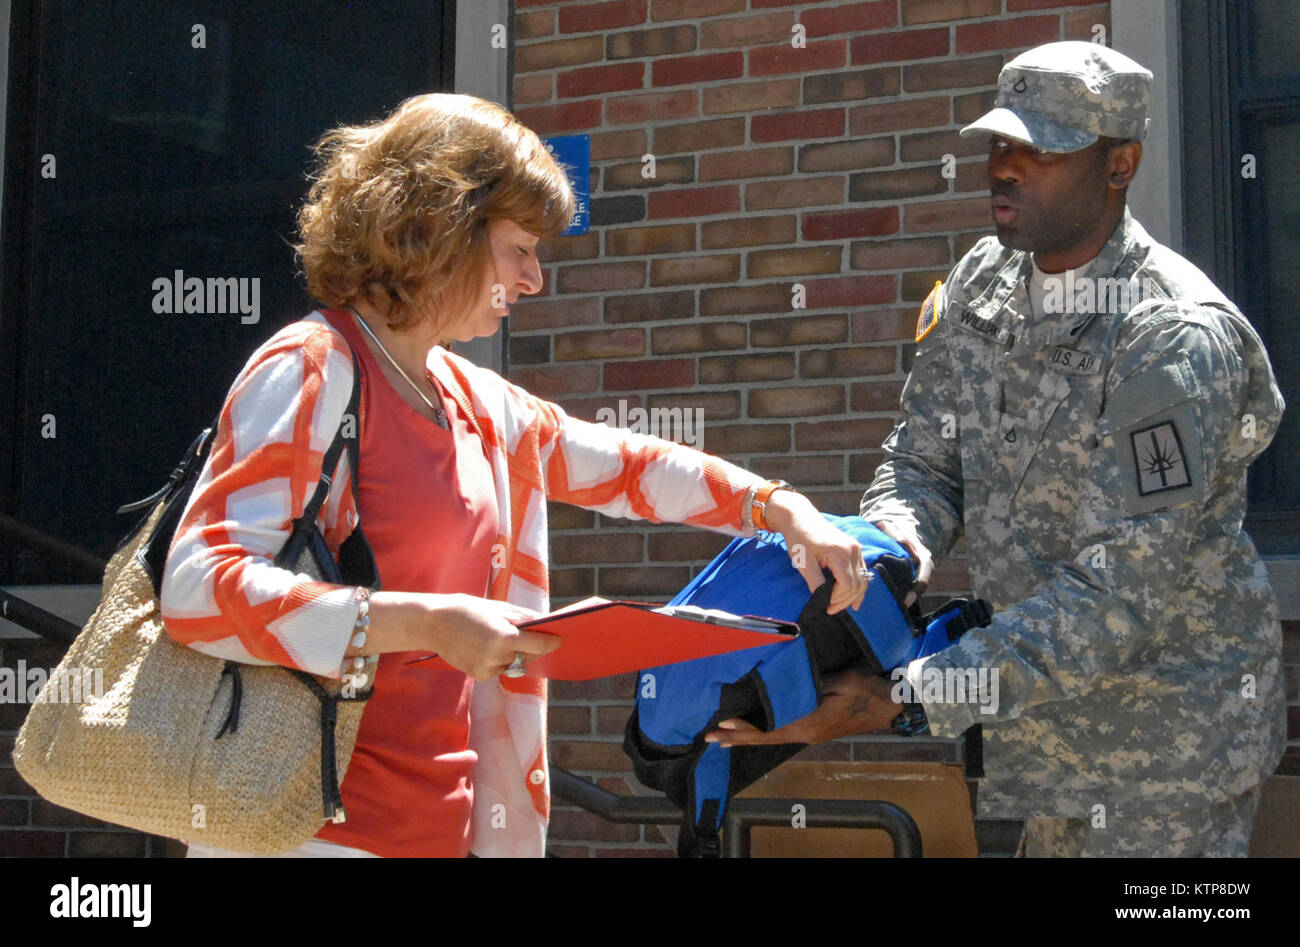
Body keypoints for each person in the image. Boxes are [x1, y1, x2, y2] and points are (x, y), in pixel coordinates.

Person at [159, 92, 868, 858]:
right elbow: (198, 588)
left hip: (445, 832)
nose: (534, 279)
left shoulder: (474, 400)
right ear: (441, 229)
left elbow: (633, 465)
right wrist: (426, 622)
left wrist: (782, 508)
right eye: (520, 248)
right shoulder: (312, 367)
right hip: (302, 836)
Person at [708, 42, 1286, 857]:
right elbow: (923, 460)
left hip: (1164, 758)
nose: (1006, 168)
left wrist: (904, 697)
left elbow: (1113, 595)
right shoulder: (984, 282)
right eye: (998, 144)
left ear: (1120, 164)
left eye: (1041, 150)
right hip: (1039, 737)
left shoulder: (1172, 339)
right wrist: (891, 549)